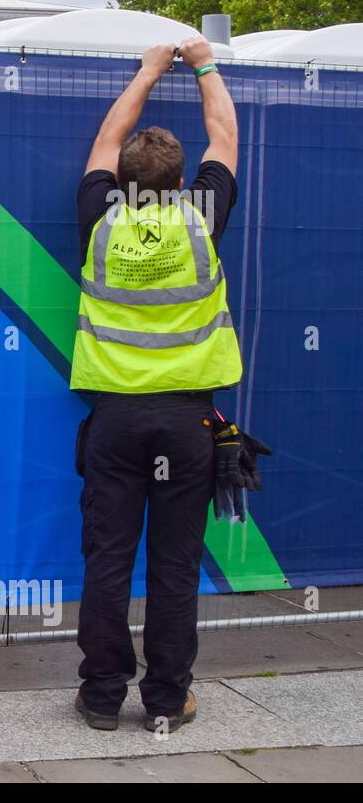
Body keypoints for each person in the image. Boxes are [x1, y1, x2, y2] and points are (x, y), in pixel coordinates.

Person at [70, 37, 243, 732]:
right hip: (187, 424)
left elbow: (106, 139)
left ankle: (102, 695)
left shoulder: (101, 219)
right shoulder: (202, 217)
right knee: (175, 565)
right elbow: (225, 134)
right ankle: (168, 699)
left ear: (124, 179)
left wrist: (146, 70)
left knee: (108, 558)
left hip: (114, 422)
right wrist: (201, 62)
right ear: (179, 181)